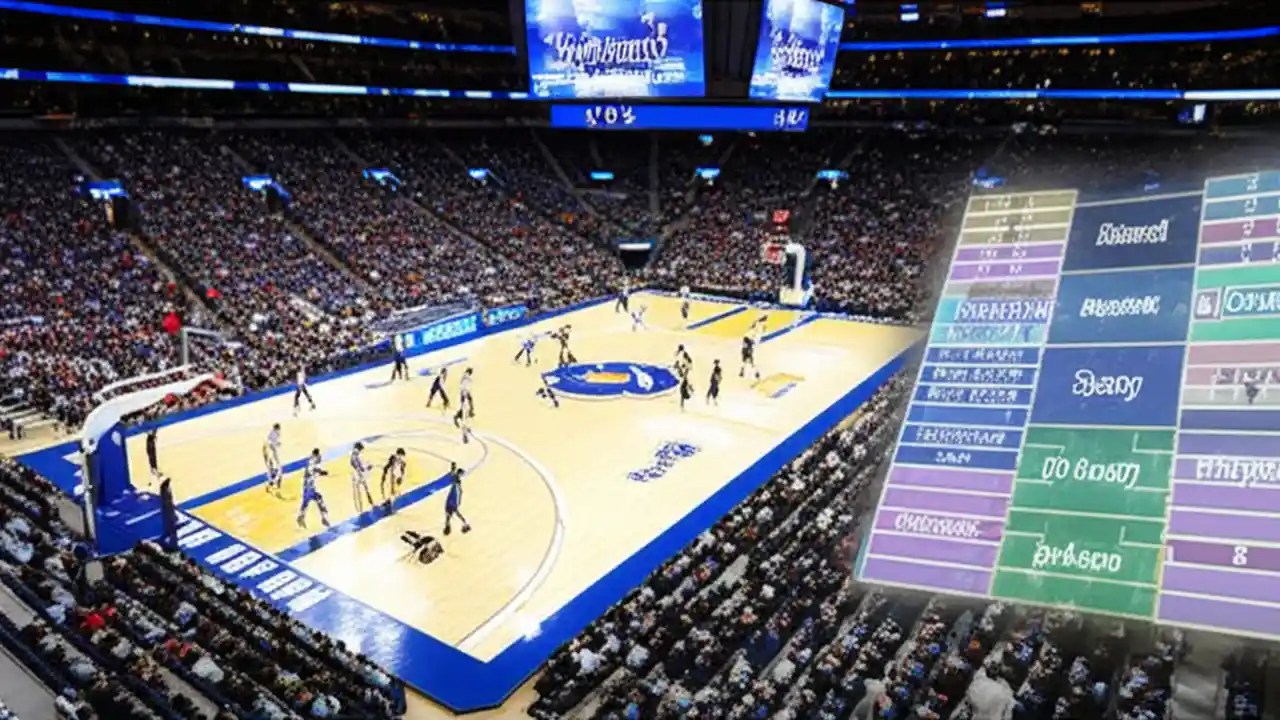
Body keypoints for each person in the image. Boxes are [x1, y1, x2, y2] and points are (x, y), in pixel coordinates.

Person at [297, 449, 331, 529]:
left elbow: (314, 470)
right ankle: (301, 518)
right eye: (318, 455)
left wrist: (321, 472)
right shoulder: (312, 461)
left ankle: (323, 518)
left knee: (316, 499)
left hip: (309, 485)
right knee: (309, 501)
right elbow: (312, 470)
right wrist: (321, 472)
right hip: (308, 486)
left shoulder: (312, 460)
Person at [443, 463, 471, 535]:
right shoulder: (457, 479)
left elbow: (453, 474)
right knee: (452, 512)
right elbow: (453, 475)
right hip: (453, 497)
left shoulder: (456, 479)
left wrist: (453, 468)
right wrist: (453, 468)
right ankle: (464, 523)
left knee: (450, 512)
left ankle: (463, 523)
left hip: (452, 497)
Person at [349, 442, 375, 512]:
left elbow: (360, 467)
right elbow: (359, 467)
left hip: (358, 475)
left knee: (364, 490)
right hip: (357, 475)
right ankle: (361, 508)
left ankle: (369, 504)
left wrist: (366, 468)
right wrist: (367, 468)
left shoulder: (355, 456)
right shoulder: (354, 456)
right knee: (361, 492)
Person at [263, 423, 282, 494]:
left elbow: (274, 442)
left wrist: (277, 443)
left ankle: (274, 483)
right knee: (273, 468)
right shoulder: (271, 434)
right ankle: (272, 484)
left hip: (272, 451)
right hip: (270, 451)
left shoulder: (276, 434)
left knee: (276, 468)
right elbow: (268, 443)